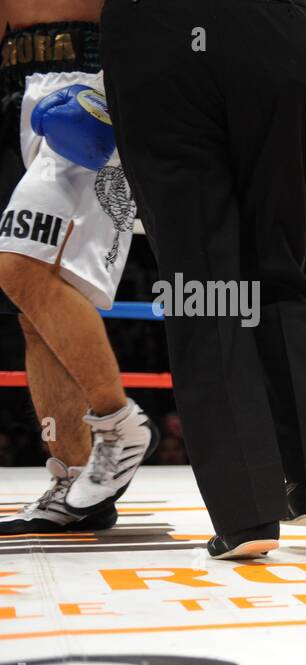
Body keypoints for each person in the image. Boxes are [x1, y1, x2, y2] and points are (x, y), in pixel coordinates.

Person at [99, 0, 306, 558]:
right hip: (275, 29)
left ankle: (247, 512)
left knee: (204, 284)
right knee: (277, 259)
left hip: (159, 33)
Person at [0, 9, 156, 535]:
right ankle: (73, 485)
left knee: (19, 268)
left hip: (92, 84)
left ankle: (118, 424)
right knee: (36, 306)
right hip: (18, 90)